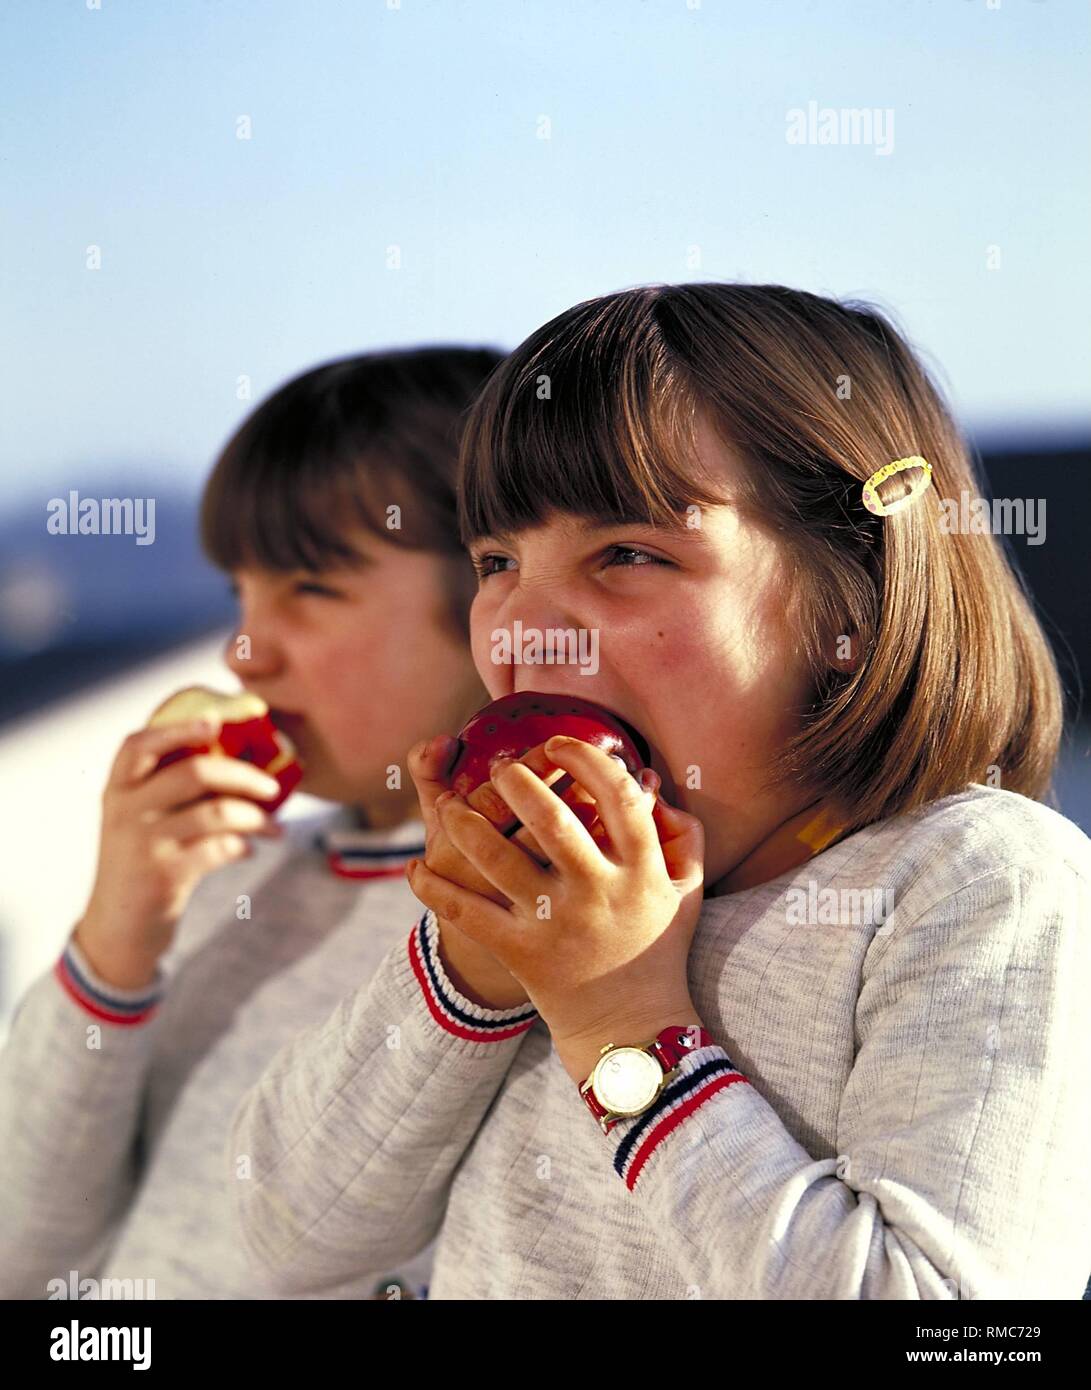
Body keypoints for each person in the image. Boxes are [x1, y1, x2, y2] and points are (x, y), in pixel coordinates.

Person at [230, 283, 1091, 1300]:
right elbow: (288, 1238)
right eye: (495, 561)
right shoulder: (531, 901)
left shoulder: (973, 882)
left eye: (628, 554)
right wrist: (469, 965)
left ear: (845, 600)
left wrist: (622, 1028)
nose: (521, 630)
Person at [0, 345, 501, 1299]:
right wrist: (117, 937)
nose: (243, 650)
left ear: (496, 596)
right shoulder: (229, 883)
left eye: (310, 590)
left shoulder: (540, 927)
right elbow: (25, 1254)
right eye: (240, 593)